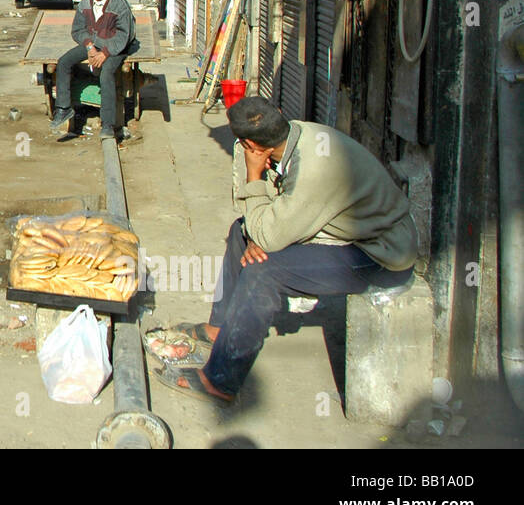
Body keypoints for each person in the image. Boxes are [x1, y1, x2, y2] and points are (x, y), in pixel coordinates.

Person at [148, 96, 418, 404]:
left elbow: (271, 235)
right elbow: (265, 223)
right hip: (343, 232)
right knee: (241, 231)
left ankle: (220, 381)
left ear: (249, 145)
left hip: (379, 255)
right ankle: (218, 328)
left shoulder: (314, 168)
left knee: (265, 272)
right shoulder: (298, 133)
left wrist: (253, 175)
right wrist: (256, 236)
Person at [49, 0, 139, 140]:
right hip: (93, 44)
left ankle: (107, 125)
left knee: (106, 73)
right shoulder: (85, 2)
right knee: (64, 62)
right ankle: (64, 107)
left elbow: (124, 35)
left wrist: (104, 53)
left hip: (116, 48)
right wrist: (89, 46)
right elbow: (77, 30)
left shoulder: (119, 5)